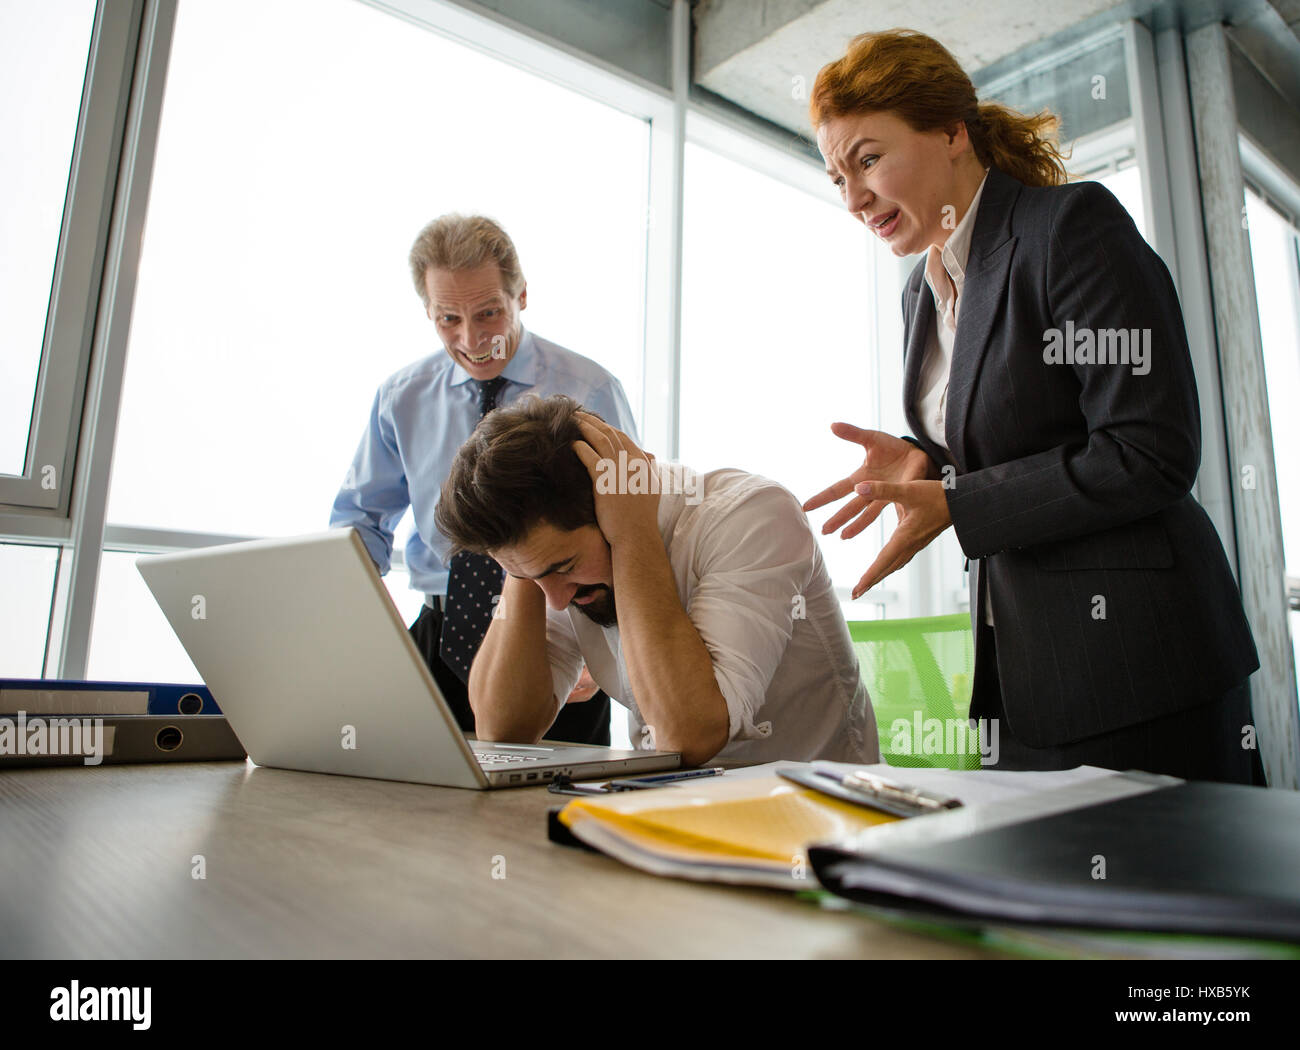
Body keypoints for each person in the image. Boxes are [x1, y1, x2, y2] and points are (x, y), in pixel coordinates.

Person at [802, 29, 1264, 783]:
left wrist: (961, 503)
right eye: (836, 177)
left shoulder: (1070, 230)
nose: (854, 198)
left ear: (952, 132)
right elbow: (1011, 436)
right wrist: (930, 459)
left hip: (1135, 667)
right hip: (1021, 674)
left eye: (869, 160)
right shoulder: (923, 288)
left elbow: (1150, 450)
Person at [433, 394, 878, 767]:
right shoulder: (553, 564)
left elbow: (689, 738)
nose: (554, 601)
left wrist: (633, 535)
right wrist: (523, 569)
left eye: (562, 567)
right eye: (529, 575)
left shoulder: (753, 516)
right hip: (665, 810)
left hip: (815, 820)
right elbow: (501, 730)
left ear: (608, 507)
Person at [330, 214, 639, 745]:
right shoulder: (401, 397)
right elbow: (360, 521)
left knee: (553, 812)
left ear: (522, 295)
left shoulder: (590, 388)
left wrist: (605, 641)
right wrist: (360, 618)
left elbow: (630, 520)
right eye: (448, 318)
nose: (472, 339)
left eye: (489, 313)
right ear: (427, 311)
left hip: (557, 633)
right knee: (418, 809)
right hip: (438, 636)